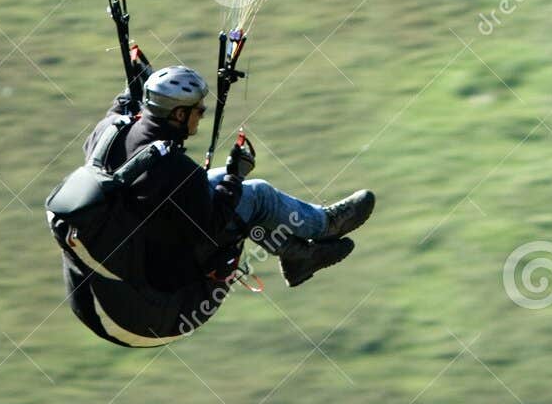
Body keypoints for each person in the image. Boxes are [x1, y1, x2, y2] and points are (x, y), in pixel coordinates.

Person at [58, 58, 375, 348]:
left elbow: (124, 106)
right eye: (199, 110)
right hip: (159, 314)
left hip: (103, 298)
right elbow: (214, 225)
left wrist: (139, 77)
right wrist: (237, 174)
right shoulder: (178, 173)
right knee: (255, 195)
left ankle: (300, 255)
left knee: (232, 194)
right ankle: (322, 226)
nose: (202, 115)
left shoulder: (109, 131)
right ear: (179, 114)